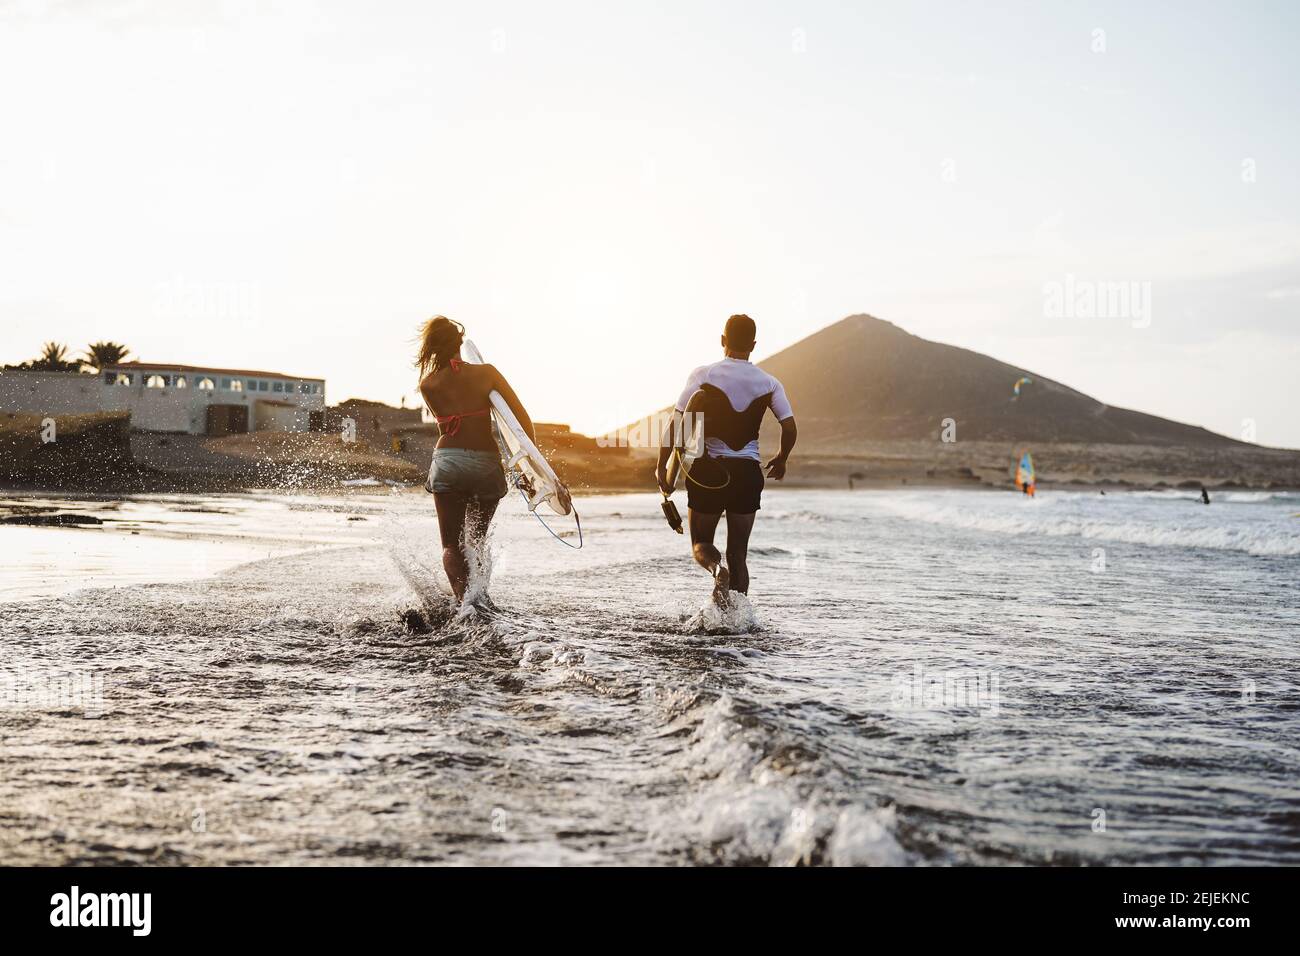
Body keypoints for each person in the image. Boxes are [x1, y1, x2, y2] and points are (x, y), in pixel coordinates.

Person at [655, 314, 797, 606]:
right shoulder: (770, 383)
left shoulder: (703, 375)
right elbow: (790, 427)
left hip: (710, 471)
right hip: (747, 473)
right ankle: (737, 619)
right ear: (754, 345)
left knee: (701, 544)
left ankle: (716, 570)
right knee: (739, 554)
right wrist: (782, 458)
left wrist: (662, 466)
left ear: (723, 341)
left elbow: (676, 423)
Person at [416, 316, 534, 606]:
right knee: (475, 543)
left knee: (451, 546)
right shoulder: (487, 373)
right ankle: (479, 599)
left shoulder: (428, 384)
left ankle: (464, 605)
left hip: (448, 461)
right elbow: (520, 422)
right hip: (485, 462)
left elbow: (446, 426)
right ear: (460, 341)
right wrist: (529, 468)